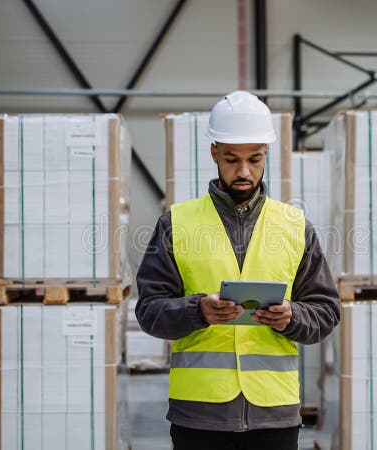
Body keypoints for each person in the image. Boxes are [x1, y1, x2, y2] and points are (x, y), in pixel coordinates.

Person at [136, 91, 340, 450]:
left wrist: (292, 317)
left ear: (266, 154)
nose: (244, 171)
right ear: (214, 153)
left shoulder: (294, 226)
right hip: (199, 416)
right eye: (231, 159)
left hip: (274, 414)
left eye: (254, 159)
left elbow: (326, 312)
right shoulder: (176, 224)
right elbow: (149, 311)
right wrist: (197, 310)